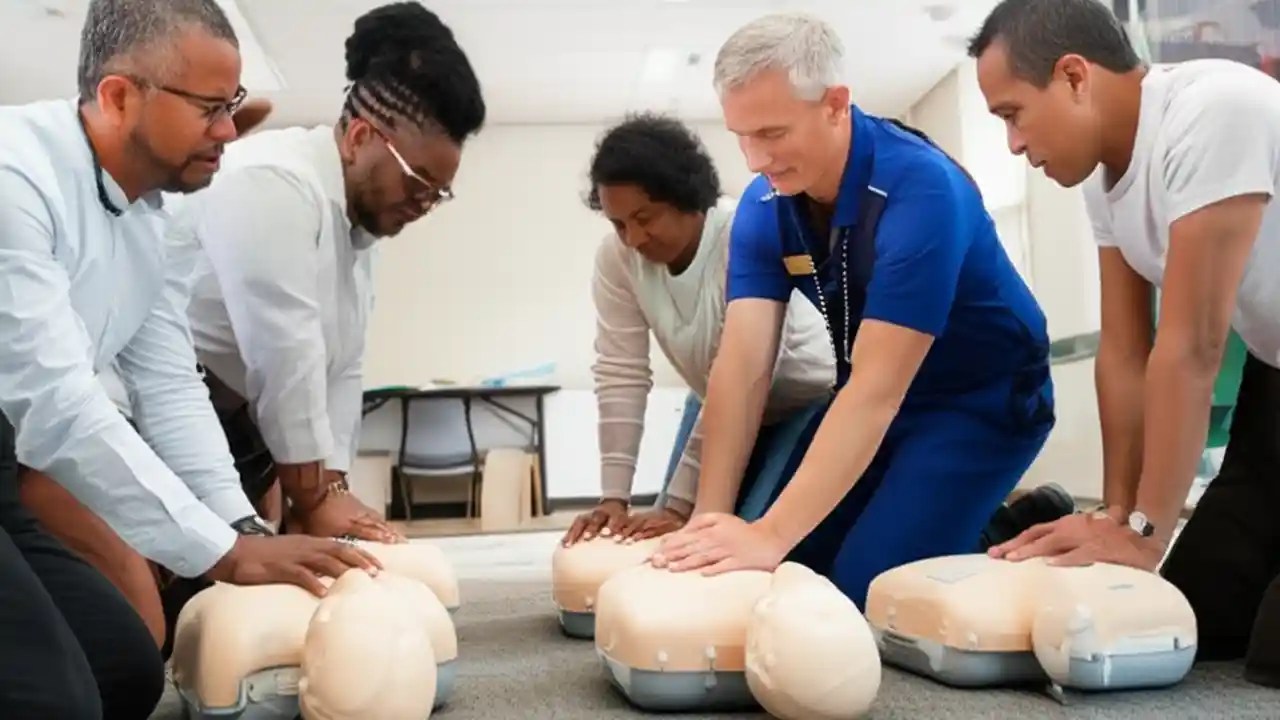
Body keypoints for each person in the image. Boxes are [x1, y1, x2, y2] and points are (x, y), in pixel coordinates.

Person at [0, 1, 376, 715]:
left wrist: (238, 529)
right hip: (28, 440)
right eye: (210, 108)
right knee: (52, 701)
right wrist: (220, 554)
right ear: (118, 96)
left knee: (126, 671)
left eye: (229, 105)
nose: (230, 131)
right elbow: (56, 406)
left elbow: (166, 382)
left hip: (6, 461)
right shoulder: (13, 177)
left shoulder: (151, 212)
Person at [650, 12, 1058, 611]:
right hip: (873, 398)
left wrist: (765, 533)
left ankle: (1005, 527)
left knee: (867, 591)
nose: (754, 160)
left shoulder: (920, 190)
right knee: (785, 572)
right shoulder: (767, 205)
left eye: (772, 133)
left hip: (981, 401)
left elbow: (877, 388)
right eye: (741, 135)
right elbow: (740, 369)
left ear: (836, 104)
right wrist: (710, 521)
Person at [968, 0, 1280, 686]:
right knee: (1196, 618)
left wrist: (1145, 535)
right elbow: (1126, 350)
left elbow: (1193, 347)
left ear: (1075, 76)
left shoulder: (1214, 110)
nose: (1014, 145)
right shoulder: (1105, 179)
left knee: (1270, 658)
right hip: (1275, 371)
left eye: (1012, 114)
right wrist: (1117, 514)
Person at [169, 1, 485, 543]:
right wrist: (313, 497)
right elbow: (284, 351)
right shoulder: (275, 184)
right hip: (167, 416)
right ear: (360, 138)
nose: (424, 204)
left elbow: (342, 367)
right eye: (417, 183)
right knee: (169, 610)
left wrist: (331, 491)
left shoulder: (361, 227)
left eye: (439, 193)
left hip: (240, 426)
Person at [561, 112, 836, 546]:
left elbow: (745, 372)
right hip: (714, 399)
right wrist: (613, 498)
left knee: (736, 535)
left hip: (805, 401)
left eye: (645, 217)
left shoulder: (742, 233)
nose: (632, 237)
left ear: (687, 198)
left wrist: (680, 504)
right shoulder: (617, 258)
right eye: (618, 223)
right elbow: (621, 371)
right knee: (674, 532)